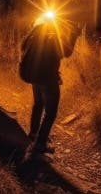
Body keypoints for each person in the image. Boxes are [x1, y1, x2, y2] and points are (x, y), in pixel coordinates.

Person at [19, 13, 77, 159]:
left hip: (35, 76)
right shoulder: (51, 37)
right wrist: (74, 35)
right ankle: (40, 143)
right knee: (51, 112)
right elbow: (66, 52)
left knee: (38, 104)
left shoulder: (34, 35)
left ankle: (33, 133)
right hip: (47, 79)